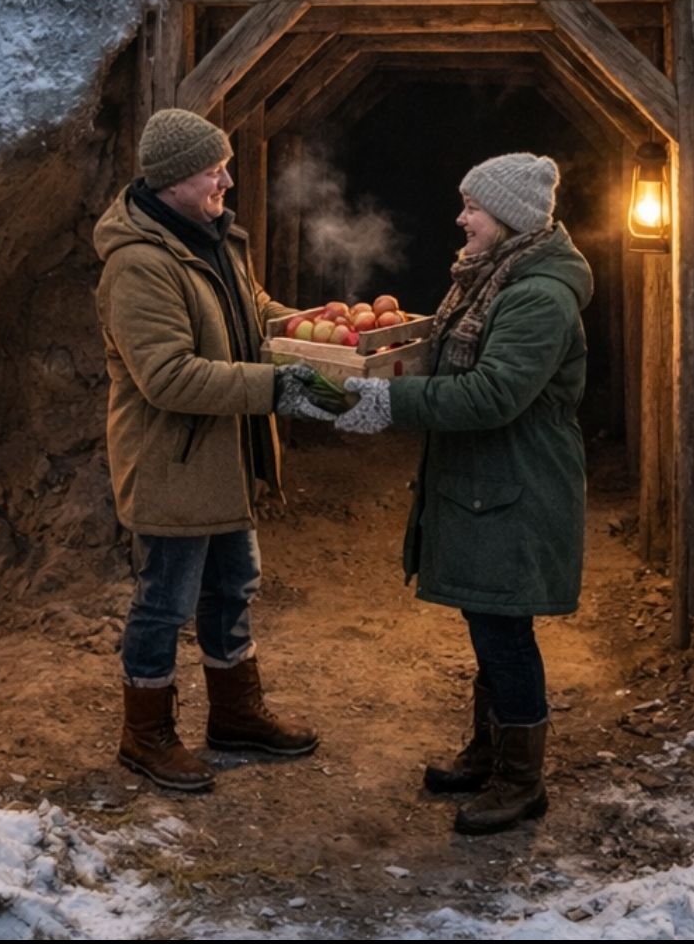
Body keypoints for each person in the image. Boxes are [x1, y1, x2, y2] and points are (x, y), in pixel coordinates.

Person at [301, 151, 591, 835]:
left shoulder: (536, 296)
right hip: (492, 480)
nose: (460, 218)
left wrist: (387, 399)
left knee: (503, 626)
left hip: (519, 480)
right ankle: (488, 752)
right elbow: (459, 352)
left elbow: (493, 393)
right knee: (488, 616)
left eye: (473, 207)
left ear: (511, 218)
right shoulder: (492, 279)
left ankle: (522, 781)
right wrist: (382, 349)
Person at [93, 107, 327, 792]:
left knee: (233, 587)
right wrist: (279, 388)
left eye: (224, 163)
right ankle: (146, 735)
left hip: (223, 458)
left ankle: (234, 717)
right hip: (173, 462)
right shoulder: (138, 266)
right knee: (165, 601)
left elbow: (256, 313)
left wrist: (322, 325)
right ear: (171, 180)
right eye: (211, 168)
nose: (227, 177)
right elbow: (167, 377)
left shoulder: (216, 239)